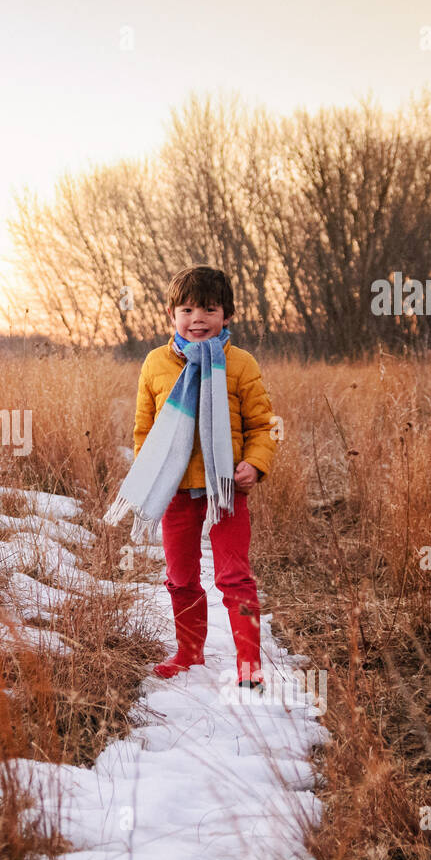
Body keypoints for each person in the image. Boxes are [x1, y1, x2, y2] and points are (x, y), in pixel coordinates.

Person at [129, 266, 278, 687]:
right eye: (187, 309)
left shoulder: (240, 364)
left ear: (226, 315)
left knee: (234, 577)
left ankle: (249, 663)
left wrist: (256, 464)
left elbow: (263, 426)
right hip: (175, 491)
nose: (198, 318)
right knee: (180, 577)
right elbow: (144, 429)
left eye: (209, 309)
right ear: (172, 315)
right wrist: (149, 476)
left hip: (226, 488)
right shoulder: (156, 363)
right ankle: (189, 652)